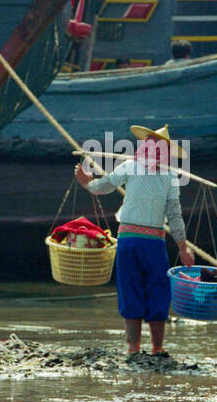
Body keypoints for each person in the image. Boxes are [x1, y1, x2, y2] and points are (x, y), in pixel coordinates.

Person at [75, 124, 194, 359]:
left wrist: (87, 182)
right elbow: (175, 214)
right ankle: (153, 348)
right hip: (150, 242)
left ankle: (136, 347)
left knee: (134, 288)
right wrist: (183, 247)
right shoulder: (166, 174)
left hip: (132, 240)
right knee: (155, 289)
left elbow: (102, 187)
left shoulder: (136, 167)